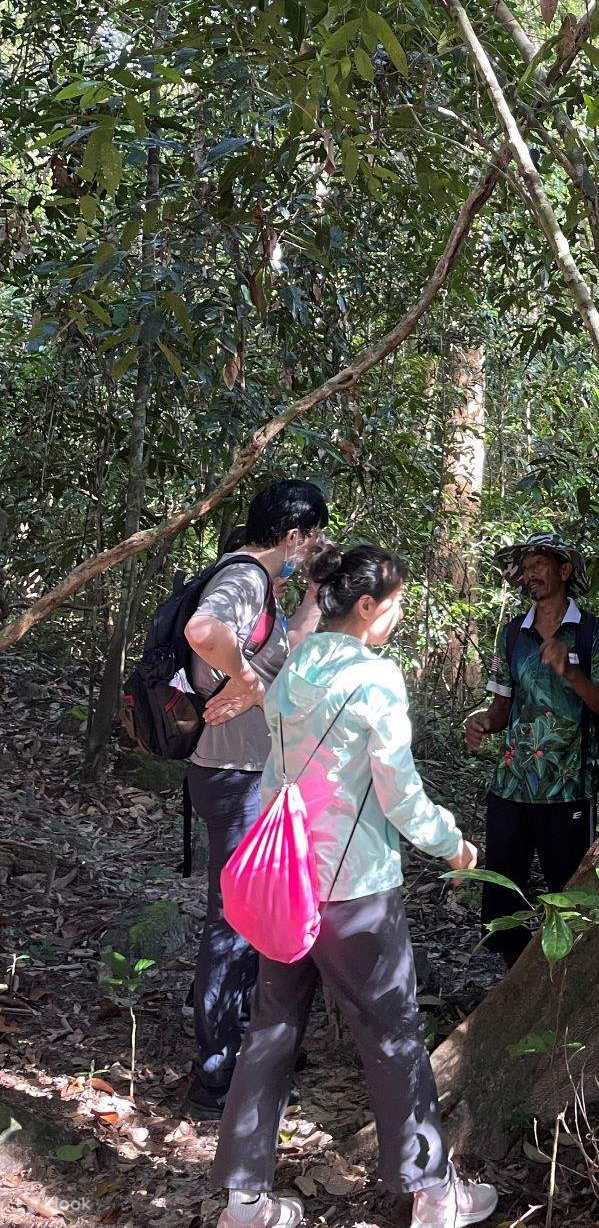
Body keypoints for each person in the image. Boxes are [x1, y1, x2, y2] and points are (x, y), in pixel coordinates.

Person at [211, 544, 496, 1228]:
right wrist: (453, 845)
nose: (395, 618)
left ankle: (244, 1200)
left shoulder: (293, 661)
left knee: (272, 1029)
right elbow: (399, 795)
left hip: (286, 884)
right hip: (356, 888)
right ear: (366, 608)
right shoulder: (376, 677)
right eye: (393, 606)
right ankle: (432, 1195)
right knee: (394, 1033)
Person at [182, 480, 330, 1120]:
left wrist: (312, 605)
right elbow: (204, 629)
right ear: (294, 534)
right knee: (236, 919)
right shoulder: (243, 577)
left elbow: (280, 651)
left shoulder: (265, 586)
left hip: (244, 770)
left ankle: (235, 1049)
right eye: (314, 536)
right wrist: (243, 679)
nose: (316, 546)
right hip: (230, 771)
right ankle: (215, 1074)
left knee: (245, 915)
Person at [464, 533, 599, 967]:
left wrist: (572, 673)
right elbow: (503, 708)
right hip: (511, 786)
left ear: (564, 570)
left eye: (539, 562)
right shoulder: (512, 635)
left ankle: (566, 982)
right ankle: (515, 982)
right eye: (525, 565)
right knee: (500, 899)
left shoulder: (596, 635)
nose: (530, 572)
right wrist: (483, 721)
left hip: (569, 790)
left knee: (570, 892)